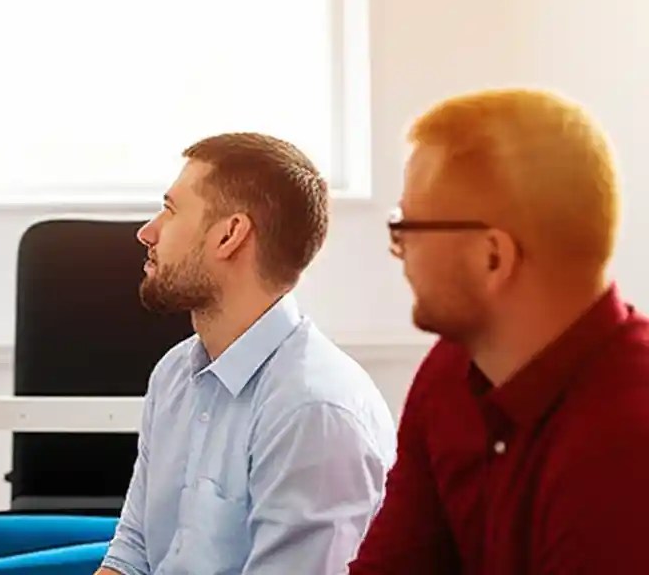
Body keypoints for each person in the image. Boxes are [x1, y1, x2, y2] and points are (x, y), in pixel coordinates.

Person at [349, 88, 649, 574]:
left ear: (492, 257)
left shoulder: (626, 442)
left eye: (408, 228)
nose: (398, 251)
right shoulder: (450, 373)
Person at [98, 133, 396, 575]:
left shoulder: (313, 411)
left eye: (172, 210)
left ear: (230, 235)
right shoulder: (175, 374)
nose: (148, 232)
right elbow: (133, 552)